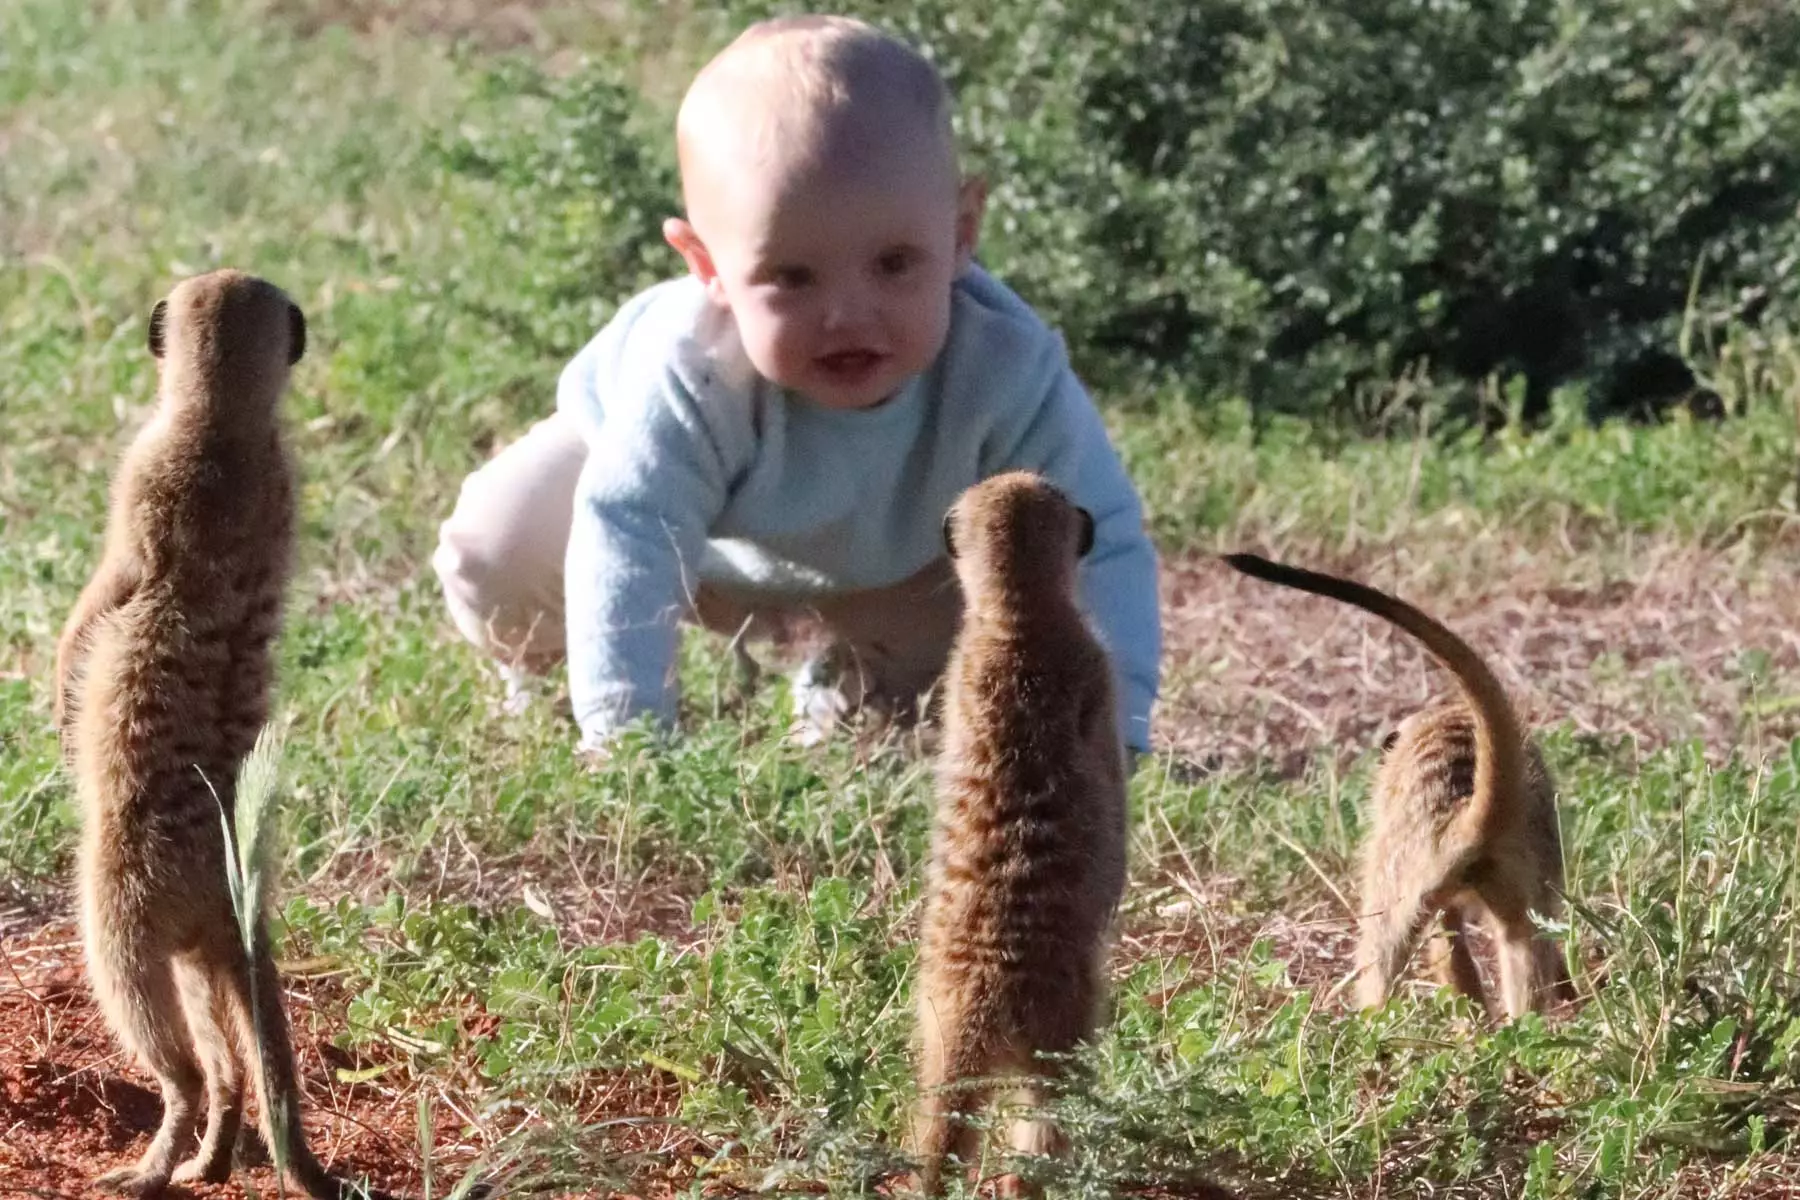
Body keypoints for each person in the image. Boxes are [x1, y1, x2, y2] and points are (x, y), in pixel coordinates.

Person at [431, 14, 1161, 757]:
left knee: (977, 659)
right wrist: (628, 743)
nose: (847, 315)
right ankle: (556, 677)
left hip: (901, 568)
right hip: (691, 547)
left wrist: (1112, 738)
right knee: (500, 542)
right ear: (707, 265)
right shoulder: (692, 368)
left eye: (894, 263)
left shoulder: (1004, 366)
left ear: (962, 231)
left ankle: (855, 680)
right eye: (792, 276)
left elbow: (1096, 542)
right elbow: (629, 527)